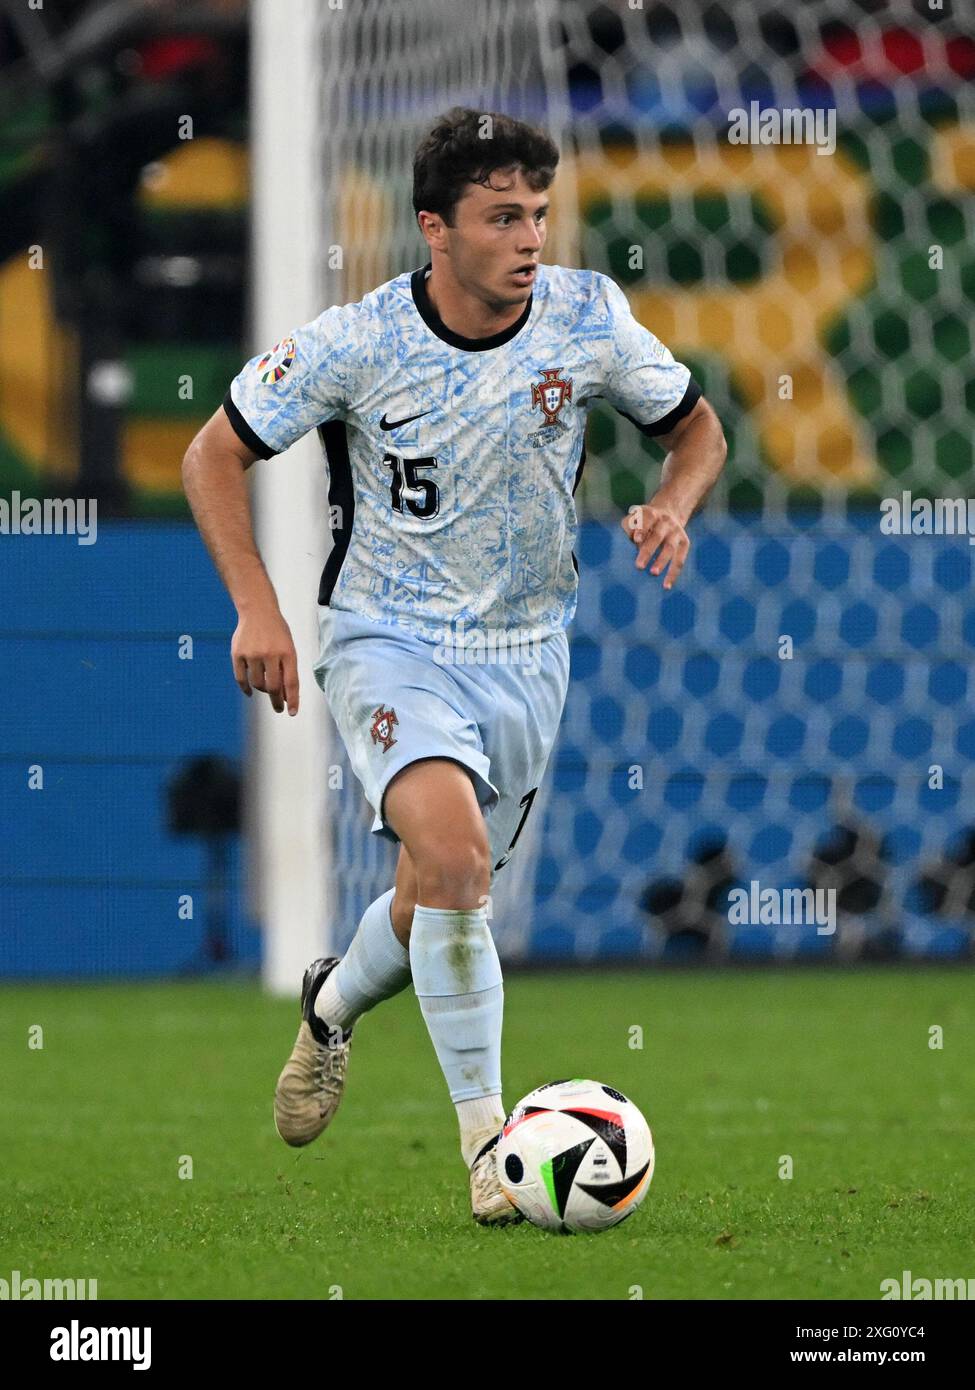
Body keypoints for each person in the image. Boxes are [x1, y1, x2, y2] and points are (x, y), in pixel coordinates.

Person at [181, 106, 727, 1225]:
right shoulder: (357, 342)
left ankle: (331, 1003)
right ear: (436, 227)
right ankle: (492, 1146)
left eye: (537, 213)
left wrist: (673, 502)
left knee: (439, 889)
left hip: (529, 655)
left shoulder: (585, 318)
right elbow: (212, 452)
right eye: (500, 217)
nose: (529, 238)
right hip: (390, 642)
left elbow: (700, 428)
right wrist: (257, 608)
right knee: (456, 859)